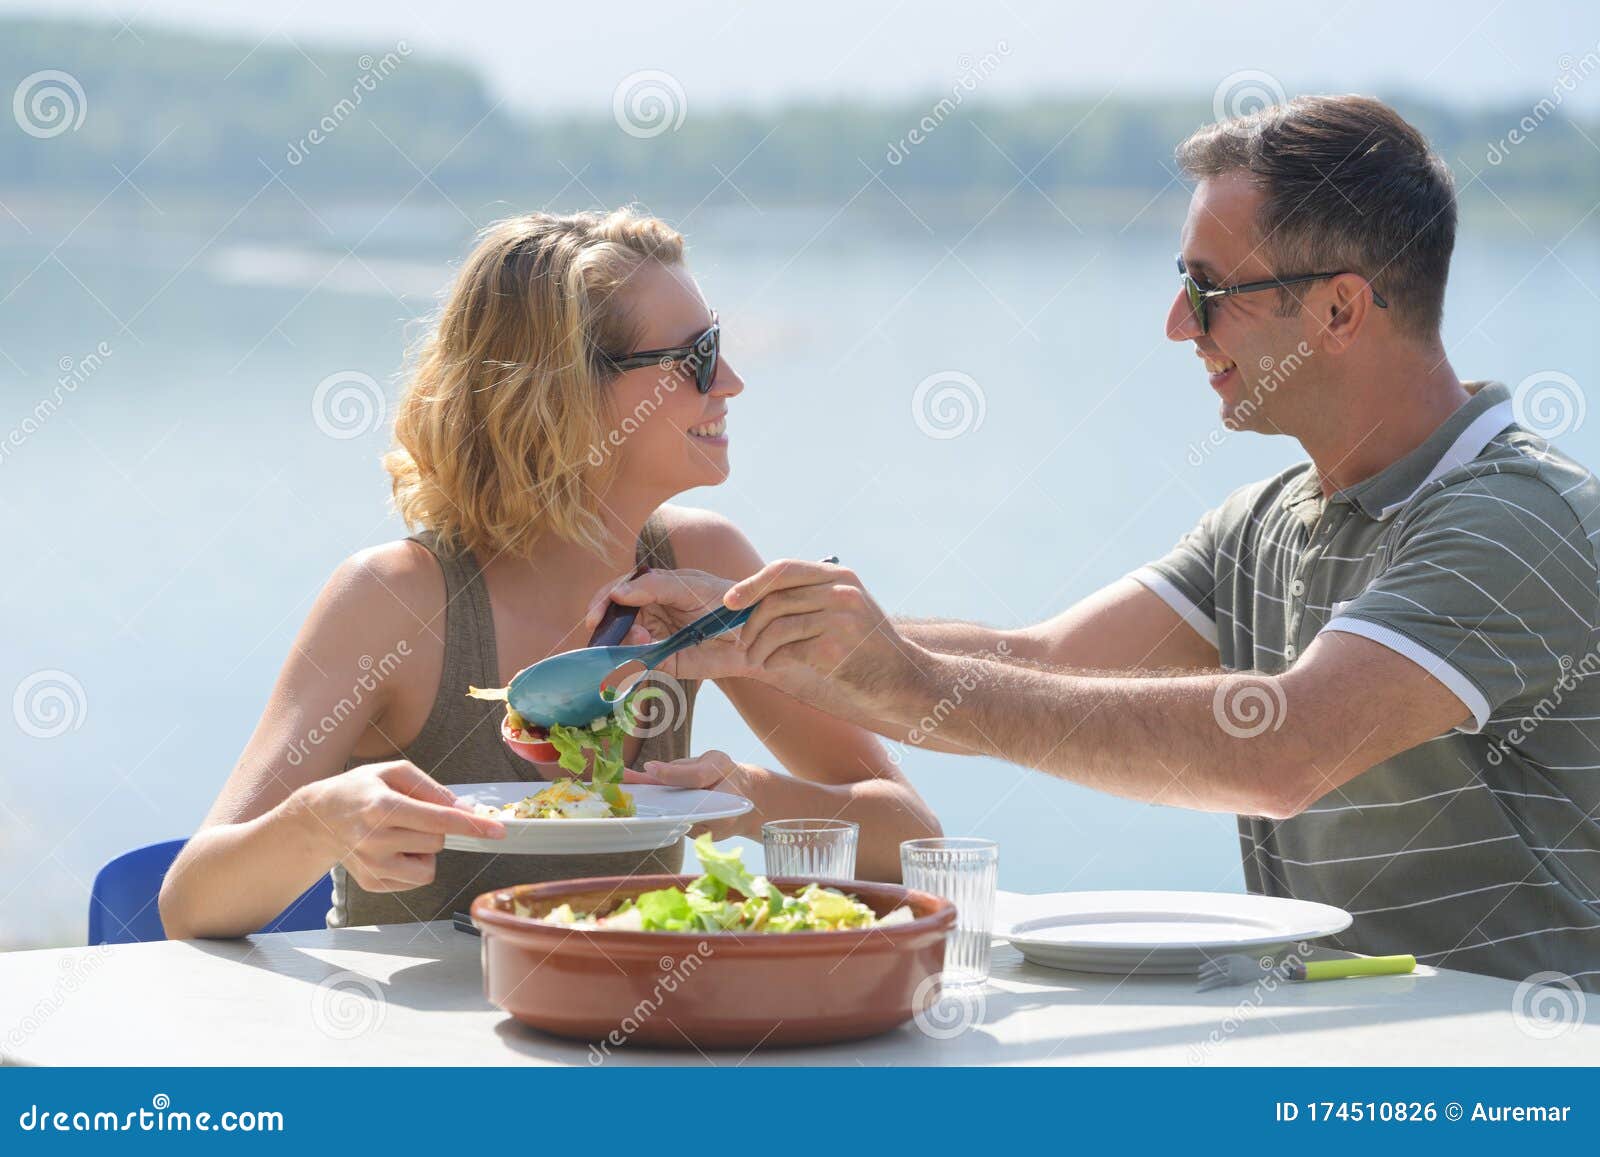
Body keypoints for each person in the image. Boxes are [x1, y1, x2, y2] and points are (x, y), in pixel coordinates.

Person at [591, 96, 1600, 990]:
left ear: (1338, 308)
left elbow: (1286, 748)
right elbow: (1042, 660)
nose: (1176, 324)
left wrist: (900, 677)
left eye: (1208, 290)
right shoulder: (1265, 520)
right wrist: (749, 633)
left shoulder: (1512, 520)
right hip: (1351, 1040)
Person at [159, 208, 938, 939]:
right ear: (564, 391)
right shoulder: (395, 600)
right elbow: (190, 901)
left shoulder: (704, 569)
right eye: (697, 357)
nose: (730, 380)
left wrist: (749, 798)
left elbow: (911, 837)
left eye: (719, 345)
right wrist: (321, 823)